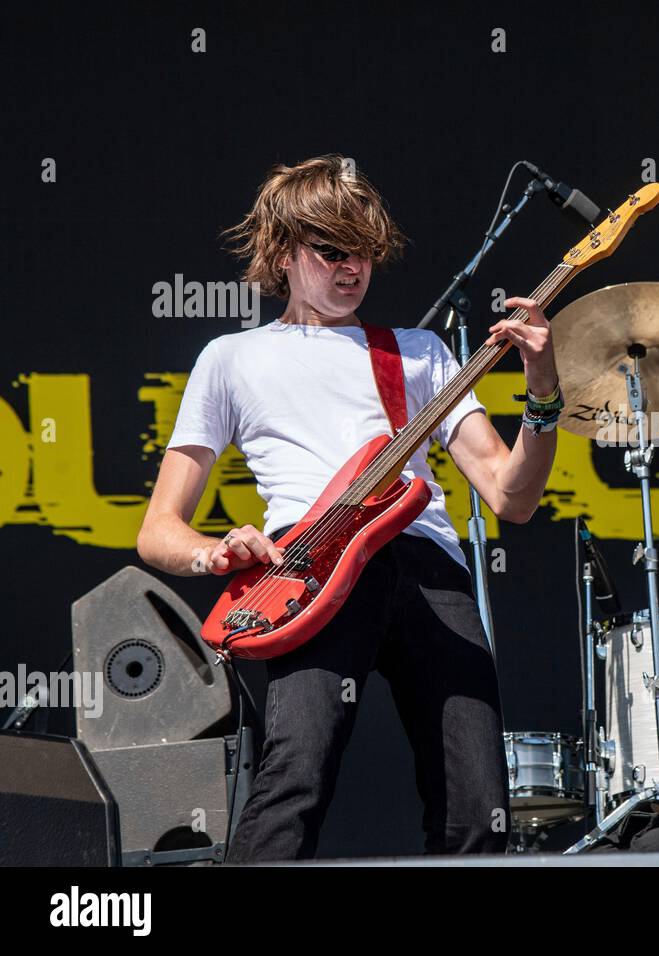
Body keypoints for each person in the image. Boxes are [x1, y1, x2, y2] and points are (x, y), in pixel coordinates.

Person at [136, 154, 562, 859]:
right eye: (330, 249)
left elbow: (511, 497)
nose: (350, 267)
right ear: (281, 253)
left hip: (428, 569)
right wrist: (213, 552)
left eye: (362, 251)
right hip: (310, 568)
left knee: (476, 802)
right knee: (294, 780)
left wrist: (542, 388)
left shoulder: (419, 353)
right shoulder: (232, 358)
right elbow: (157, 530)